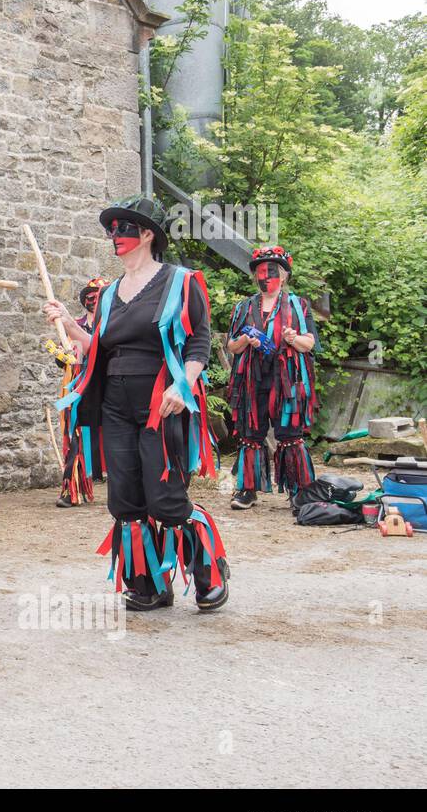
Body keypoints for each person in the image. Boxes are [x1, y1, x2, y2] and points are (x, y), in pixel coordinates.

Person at [44, 196, 229, 612]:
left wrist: (184, 385)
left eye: (124, 228)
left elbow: (199, 339)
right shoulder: (108, 294)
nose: (115, 237)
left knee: (164, 497)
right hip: (114, 401)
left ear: (148, 234)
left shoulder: (181, 280)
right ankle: (148, 584)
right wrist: (72, 326)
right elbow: (99, 348)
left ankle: (209, 573)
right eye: (112, 230)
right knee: (124, 498)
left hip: (160, 397)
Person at [226, 245, 319, 509]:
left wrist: (292, 338)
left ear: (284, 275)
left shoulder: (298, 306)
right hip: (252, 379)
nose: (267, 275)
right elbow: (232, 347)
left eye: (273, 271)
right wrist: (246, 338)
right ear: (255, 276)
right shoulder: (243, 307)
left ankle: (299, 491)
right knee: (250, 434)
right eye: (261, 271)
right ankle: (247, 490)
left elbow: (309, 344)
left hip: (287, 379)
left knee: (290, 433)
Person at [55, 278, 105, 507]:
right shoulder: (73, 325)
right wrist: (64, 356)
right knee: (75, 434)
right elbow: (61, 360)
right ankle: (71, 489)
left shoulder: (112, 325)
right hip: (79, 387)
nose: (94, 300)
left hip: (107, 385)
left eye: (99, 295)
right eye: (90, 295)